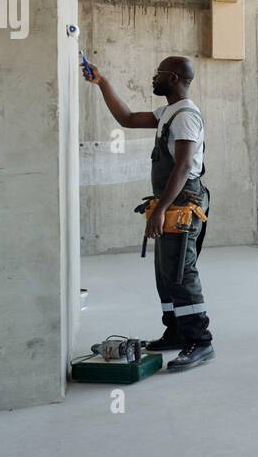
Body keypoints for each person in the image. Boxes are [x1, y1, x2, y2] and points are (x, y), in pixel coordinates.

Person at [83, 55, 214, 371]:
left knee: (181, 272)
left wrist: (162, 209)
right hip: (172, 202)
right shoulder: (169, 112)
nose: (153, 78)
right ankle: (176, 332)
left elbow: (182, 166)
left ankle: (200, 341)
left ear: (172, 78)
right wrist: (102, 82)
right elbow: (126, 118)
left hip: (183, 202)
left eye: (158, 74)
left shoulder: (185, 116)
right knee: (166, 273)